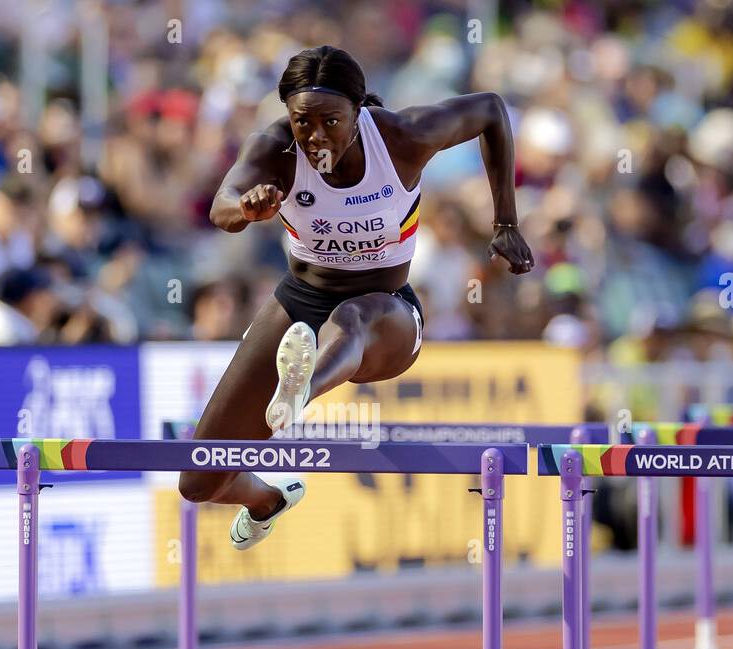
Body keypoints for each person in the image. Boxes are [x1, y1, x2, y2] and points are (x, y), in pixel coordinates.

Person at [181, 45, 533, 550]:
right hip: (299, 304)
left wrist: (505, 223)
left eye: (331, 121)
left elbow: (491, 110)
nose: (316, 137)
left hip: (388, 312)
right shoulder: (275, 148)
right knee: (198, 480)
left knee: (352, 316)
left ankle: (302, 388)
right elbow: (221, 207)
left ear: (359, 111)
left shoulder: (402, 136)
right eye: (304, 122)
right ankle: (267, 500)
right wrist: (247, 209)